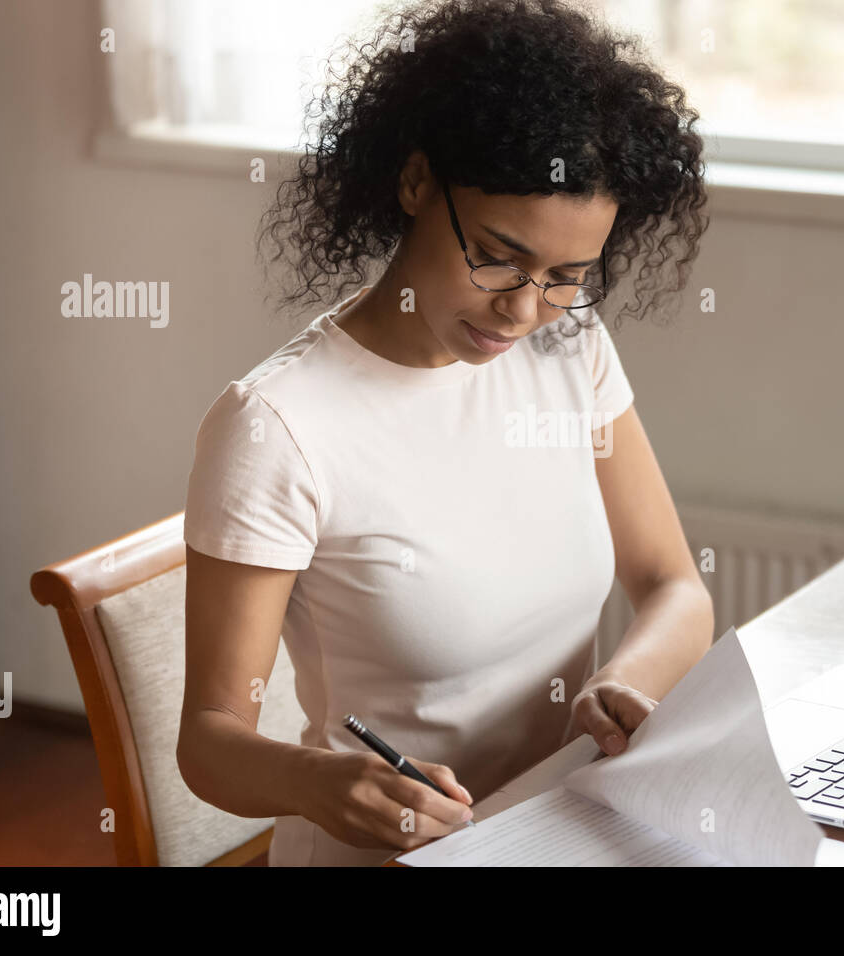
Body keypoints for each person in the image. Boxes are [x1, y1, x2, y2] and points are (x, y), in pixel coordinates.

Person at [176, 0, 713, 866]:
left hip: (559, 830)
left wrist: (624, 681)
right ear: (419, 182)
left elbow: (674, 586)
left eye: (567, 276)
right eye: (498, 256)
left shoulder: (570, 350)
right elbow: (208, 740)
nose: (525, 309)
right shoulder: (278, 427)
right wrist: (323, 783)